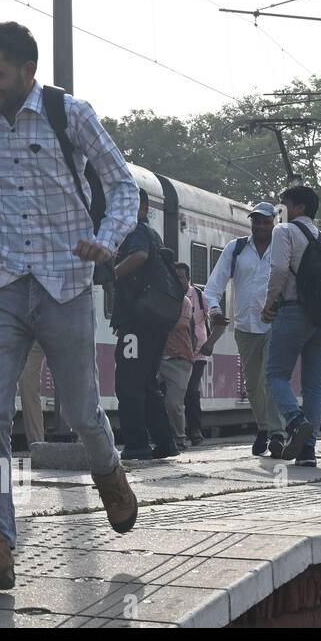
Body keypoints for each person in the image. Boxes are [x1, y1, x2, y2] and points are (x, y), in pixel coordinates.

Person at [0, 21, 141, 590]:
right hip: (3, 277)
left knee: (80, 412)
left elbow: (123, 186)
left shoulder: (70, 114)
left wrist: (107, 238)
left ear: (29, 70)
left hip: (67, 280)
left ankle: (109, 474)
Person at [203, 202, 281, 456]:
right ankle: (263, 427)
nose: (260, 226)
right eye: (256, 221)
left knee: (271, 380)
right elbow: (213, 286)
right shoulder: (236, 249)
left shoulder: (283, 249)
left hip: (275, 324)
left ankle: (277, 433)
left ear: (274, 222)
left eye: (265, 221)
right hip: (245, 325)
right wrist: (214, 309)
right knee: (252, 385)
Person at [261, 185, 321, 468]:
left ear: (299, 207)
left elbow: (278, 269)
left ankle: (295, 420)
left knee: (275, 374)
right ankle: (307, 451)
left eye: (285, 204)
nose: (281, 210)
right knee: (314, 385)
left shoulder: (284, 232)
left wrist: (270, 302)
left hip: (293, 311)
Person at [110, 188, 180, 459]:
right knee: (147, 382)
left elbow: (139, 256)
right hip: (153, 321)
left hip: (136, 323)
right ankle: (164, 441)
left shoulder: (138, 231)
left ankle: (137, 443)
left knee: (128, 382)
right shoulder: (152, 234)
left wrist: (111, 275)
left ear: (142, 209)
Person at [159, 263, 203, 450]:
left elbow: (184, 327)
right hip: (160, 359)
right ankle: (161, 435)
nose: (177, 281)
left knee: (174, 403)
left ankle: (179, 436)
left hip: (180, 359)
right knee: (151, 397)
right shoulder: (159, 299)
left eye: (181, 277)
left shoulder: (185, 303)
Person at [182, 270, 224, 446]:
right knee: (174, 392)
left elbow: (218, 319)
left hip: (198, 352)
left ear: (188, 278)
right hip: (177, 350)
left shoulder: (199, 296)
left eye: (180, 277)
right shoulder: (169, 294)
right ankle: (179, 430)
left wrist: (211, 342)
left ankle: (195, 430)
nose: (177, 280)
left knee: (191, 389)